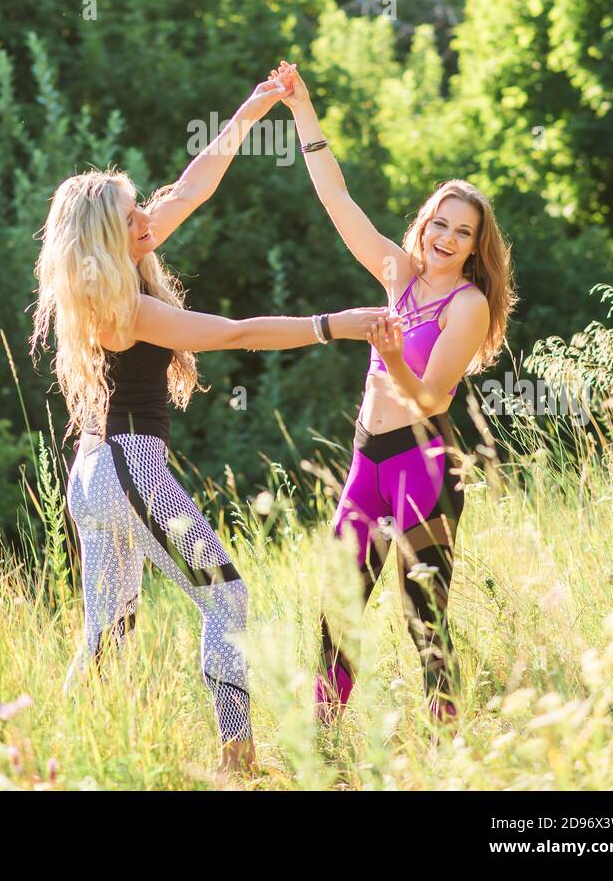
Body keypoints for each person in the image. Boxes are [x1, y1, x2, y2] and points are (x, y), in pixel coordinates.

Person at [30, 75, 386, 776]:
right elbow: (239, 333)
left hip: (94, 475)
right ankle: (236, 762)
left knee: (107, 632)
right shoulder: (127, 307)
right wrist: (334, 326)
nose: (148, 222)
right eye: (135, 217)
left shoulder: (104, 282)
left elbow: (192, 188)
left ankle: (55, 765)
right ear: (109, 233)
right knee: (225, 595)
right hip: (131, 467)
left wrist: (254, 108)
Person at [269, 59, 517, 723]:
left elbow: (432, 398)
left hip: (420, 465)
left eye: (461, 232)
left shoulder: (465, 305)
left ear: (473, 247)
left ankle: (447, 751)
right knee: (338, 610)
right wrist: (301, 110)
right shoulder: (398, 276)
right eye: (439, 222)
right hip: (365, 464)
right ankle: (324, 740)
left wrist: (388, 358)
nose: (445, 237)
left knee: (423, 622)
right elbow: (336, 199)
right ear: (424, 223)